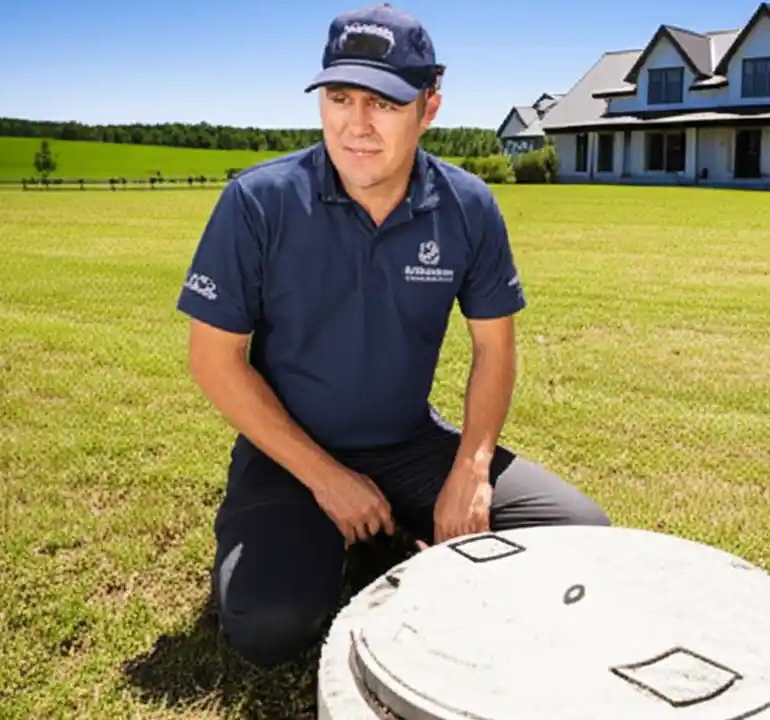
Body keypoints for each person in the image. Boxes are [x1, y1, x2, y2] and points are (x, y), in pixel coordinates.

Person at [175, 2, 610, 668]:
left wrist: (470, 469)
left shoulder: (468, 207)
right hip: (290, 455)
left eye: (384, 102)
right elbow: (214, 359)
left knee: (583, 535)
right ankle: (341, 541)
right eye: (340, 97)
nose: (356, 124)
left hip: (411, 443)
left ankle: (387, 530)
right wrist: (325, 478)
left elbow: (495, 347)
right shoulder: (257, 202)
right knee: (269, 626)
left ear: (428, 108)